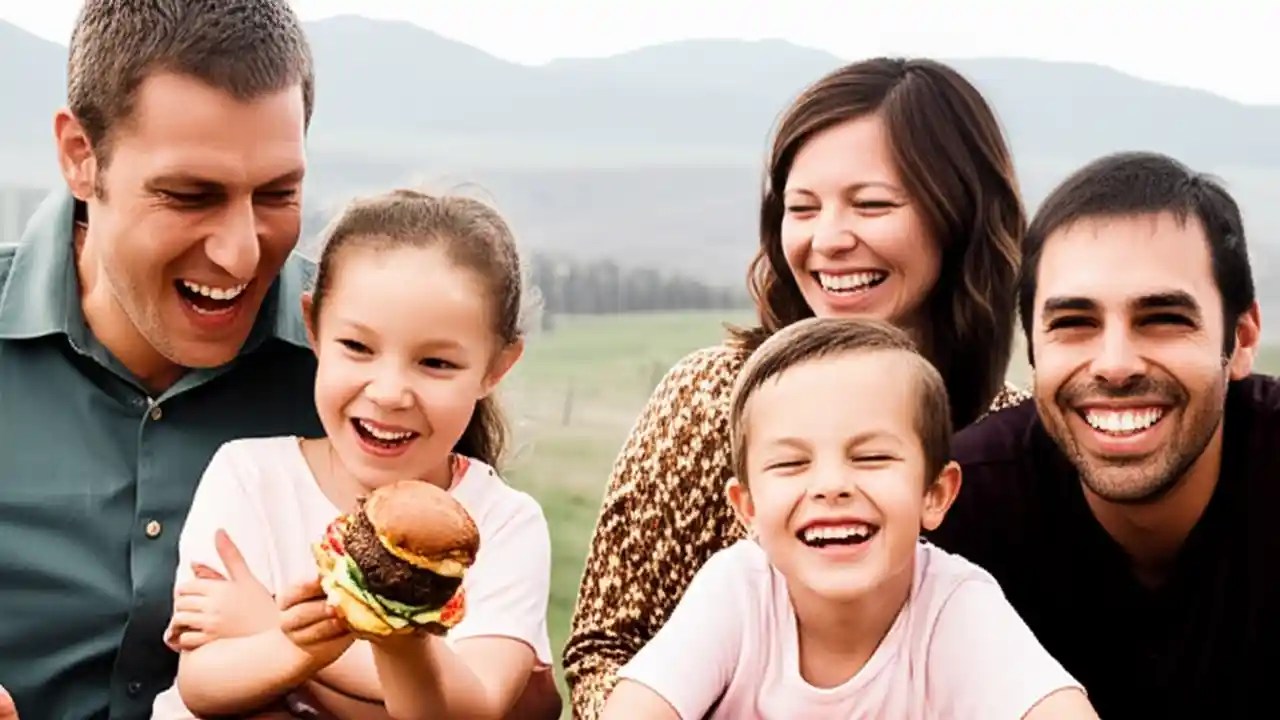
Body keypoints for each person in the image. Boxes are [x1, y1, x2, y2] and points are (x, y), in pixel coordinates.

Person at [564, 56, 1029, 715]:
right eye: (801, 209)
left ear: (960, 215)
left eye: (871, 205)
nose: (827, 239)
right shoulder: (710, 398)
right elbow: (605, 647)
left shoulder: (1012, 439)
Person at [0, 2, 322, 718]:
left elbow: (504, 680)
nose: (241, 253)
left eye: (278, 194)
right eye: (188, 195)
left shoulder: (371, 374)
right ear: (81, 156)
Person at [148, 189, 556, 719]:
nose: (388, 392)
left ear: (496, 367)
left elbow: (470, 709)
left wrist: (274, 626)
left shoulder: (502, 525)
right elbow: (204, 685)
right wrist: (340, 664)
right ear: (313, 328)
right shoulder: (247, 475)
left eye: (435, 363)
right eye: (357, 348)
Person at [925, 151, 1279, 718]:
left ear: (1240, 339)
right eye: (1074, 323)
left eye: (1163, 318)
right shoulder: (955, 512)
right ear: (1033, 350)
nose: (1114, 365)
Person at [599, 317, 1097, 719]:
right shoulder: (738, 590)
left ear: (935, 494)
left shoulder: (954, 605)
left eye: (872, 458)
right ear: (747, 509)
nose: (830, 485)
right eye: (792, 463)